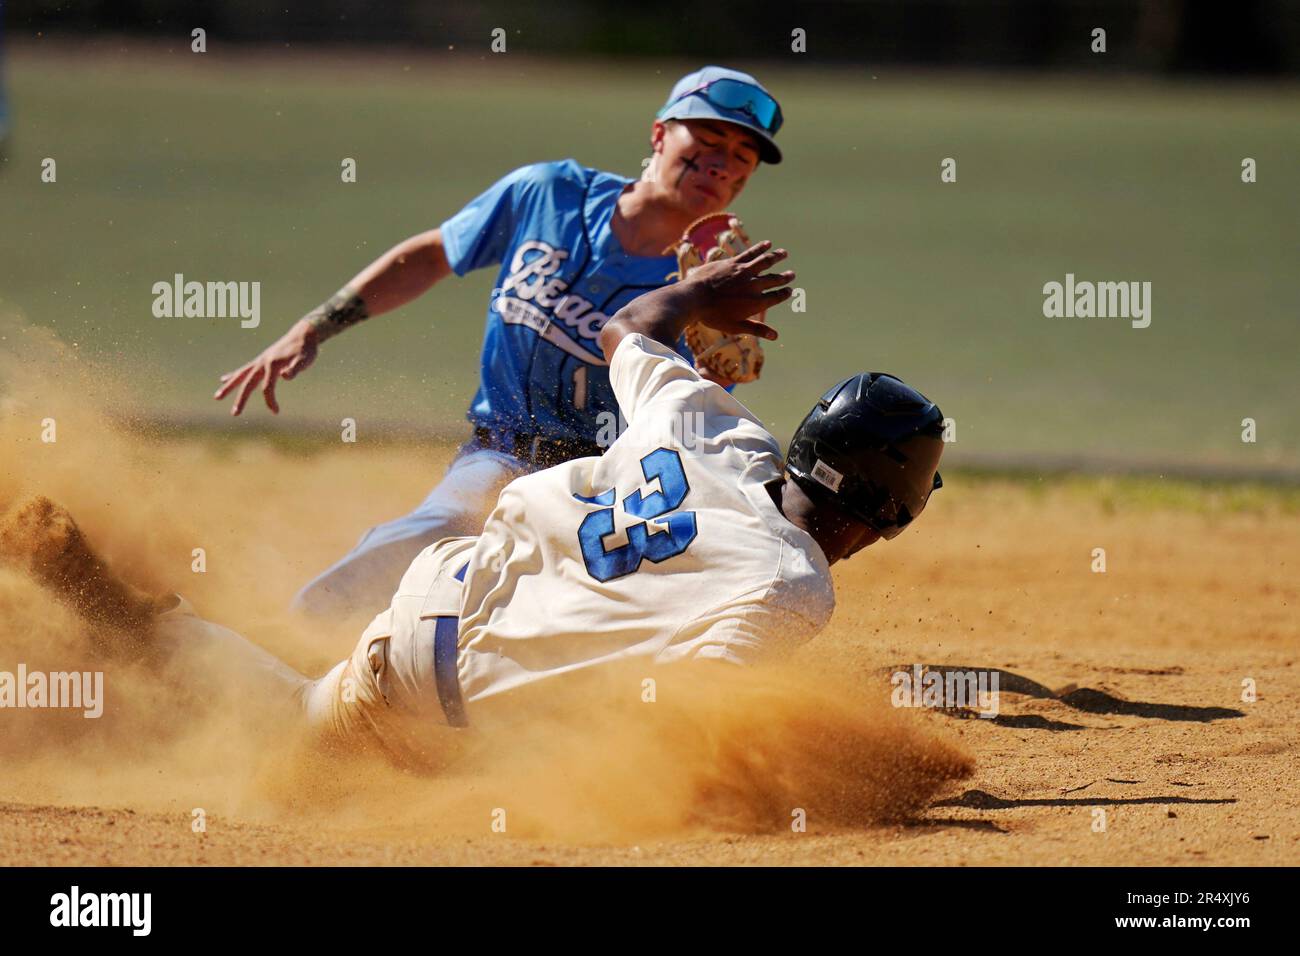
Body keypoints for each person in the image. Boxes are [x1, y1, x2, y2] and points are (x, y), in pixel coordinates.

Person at [4, 242, 945, 768]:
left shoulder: (713, 426)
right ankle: (145, 664)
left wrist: (695, 288)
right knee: (321, 740)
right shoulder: (791, 587)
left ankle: (128, 626)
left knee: (307, 713)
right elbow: (696, 716)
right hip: (452, 712)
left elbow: (629, 327)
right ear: (882, 514)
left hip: (425, 607)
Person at [211, 66, 787, 618]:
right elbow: (433, 255)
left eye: (741, 157)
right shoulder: (548, 194)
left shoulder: (709, 294)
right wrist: (313, 328)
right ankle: (297, 636)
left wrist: (711, 369)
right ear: (660, 134)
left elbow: (682, 422)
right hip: (503, 454)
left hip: (600, 487)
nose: (721, 163)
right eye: (708, 138)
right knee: (448, 527)